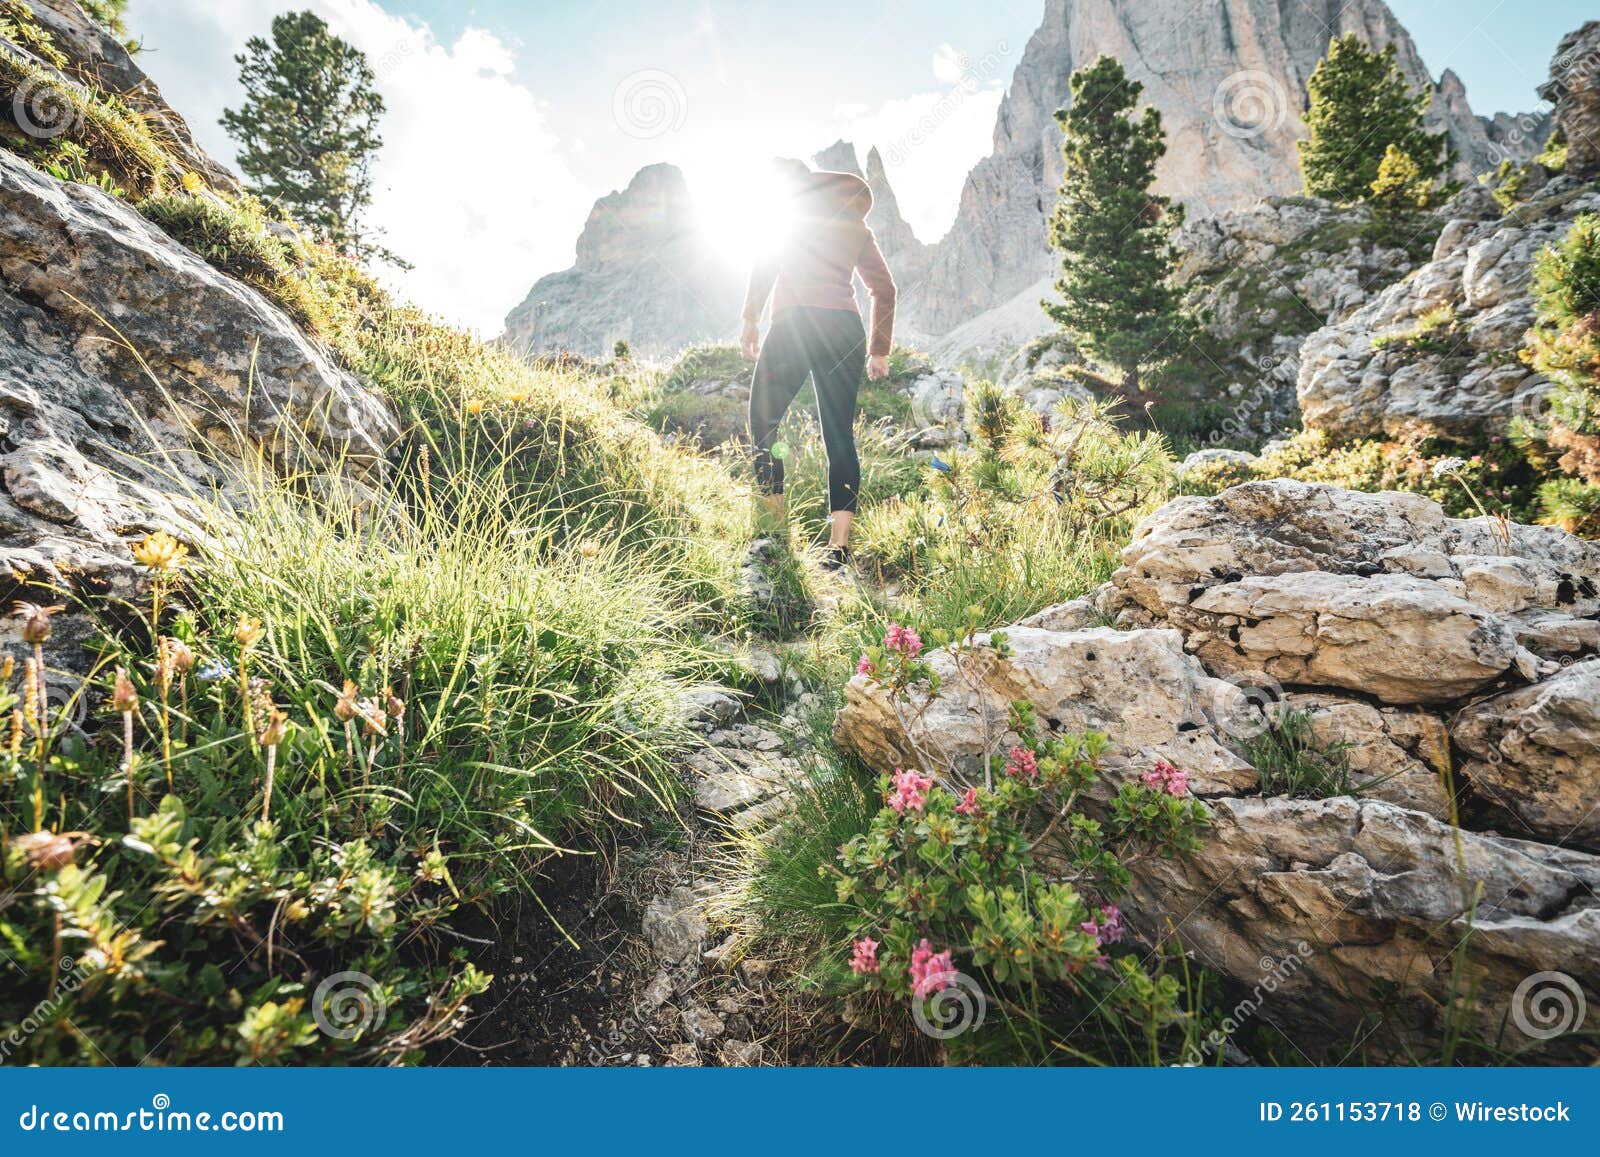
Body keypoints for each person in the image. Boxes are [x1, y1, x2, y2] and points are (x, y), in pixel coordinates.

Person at [740, 165, 896, 572]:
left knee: (764, 419)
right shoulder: (856, 228)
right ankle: (839, 548)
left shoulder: (792, 216)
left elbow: (765, 264)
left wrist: (750, 318)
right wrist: (879, 349)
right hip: (844, 330)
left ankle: (775, 529)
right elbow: (884, 290)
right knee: (839, 435)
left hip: (795, 325)